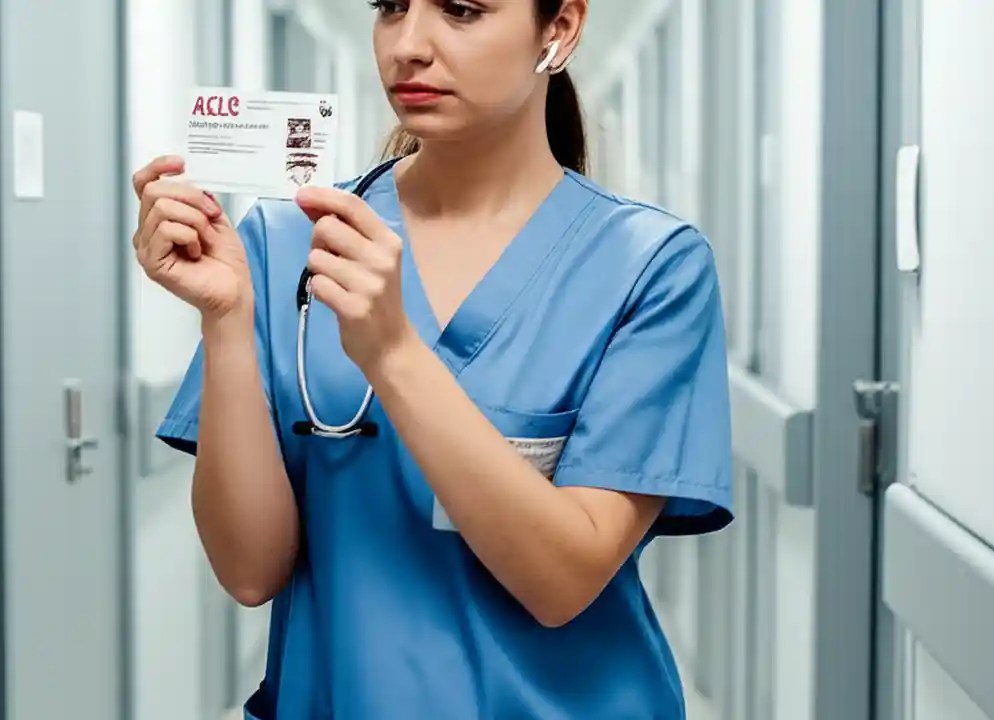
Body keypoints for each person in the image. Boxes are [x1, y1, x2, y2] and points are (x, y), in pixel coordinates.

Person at [132, 0, 733, 717]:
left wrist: (393, 353)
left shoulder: (650, 267)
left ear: (560, 29)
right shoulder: (284, 242)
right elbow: (249, 570)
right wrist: (225, 319)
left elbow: (561, 582)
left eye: (462, 10)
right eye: (390, 7)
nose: (408, 45)